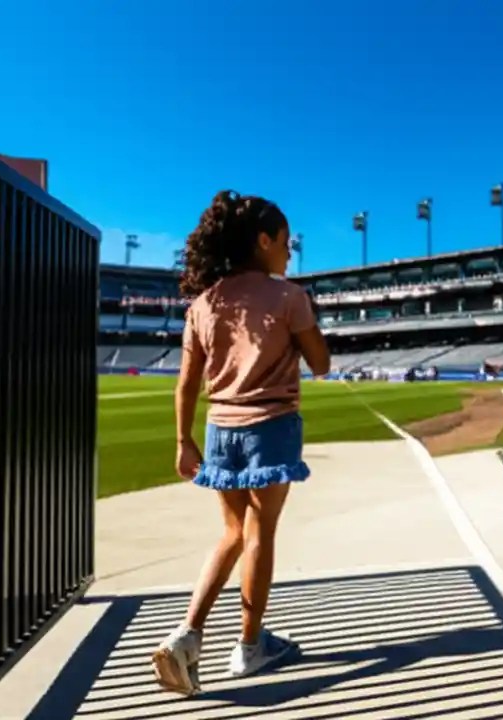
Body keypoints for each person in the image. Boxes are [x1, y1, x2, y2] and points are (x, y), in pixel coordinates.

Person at [150, 190, 331, 696]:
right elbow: (321, 364)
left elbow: (187, 384)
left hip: (218, 431)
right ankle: (249, 646)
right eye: (285, 241)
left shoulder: (203, 304)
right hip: (271, 427)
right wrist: (304, 335)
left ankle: (187, 634)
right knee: (260, 535)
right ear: (264, 240)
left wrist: (183, 441)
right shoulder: (289, 296)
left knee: (231, 534)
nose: (289, 251)